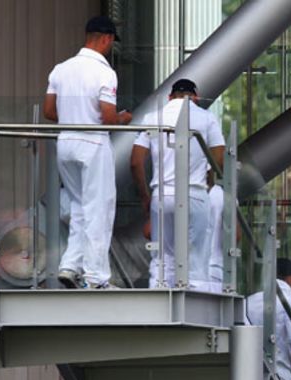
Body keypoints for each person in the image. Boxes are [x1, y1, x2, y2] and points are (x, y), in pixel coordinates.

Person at [45, 15, 133, 290]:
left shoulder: (61, 69)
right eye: (111, 43)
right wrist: (123, 119)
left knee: (79, 206)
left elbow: (49, 112)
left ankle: (70, 266)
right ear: (106, 39)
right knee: (99, 209)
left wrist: (74, 115)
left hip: (65, 142)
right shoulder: (105, 72)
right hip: (92, 144)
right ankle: (97, 278)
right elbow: (107, 118)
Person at [131, 78, 225, 290]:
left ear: (170, 97)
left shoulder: (152, 117)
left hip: (161, 195)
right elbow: (219, 158)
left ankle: (159, 293)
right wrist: (208, 179)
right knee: (195, 256)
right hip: (195, 193)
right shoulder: (207, 118)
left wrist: (145, 196)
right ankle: (192, 302)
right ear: (196, 98)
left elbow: (135, 162)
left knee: (162, 256)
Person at [205, 182, 225, 293]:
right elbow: (235, 236)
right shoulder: (224, 196)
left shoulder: (179, 193)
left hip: (185, 271)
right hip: (214, 268)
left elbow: (148, 231)